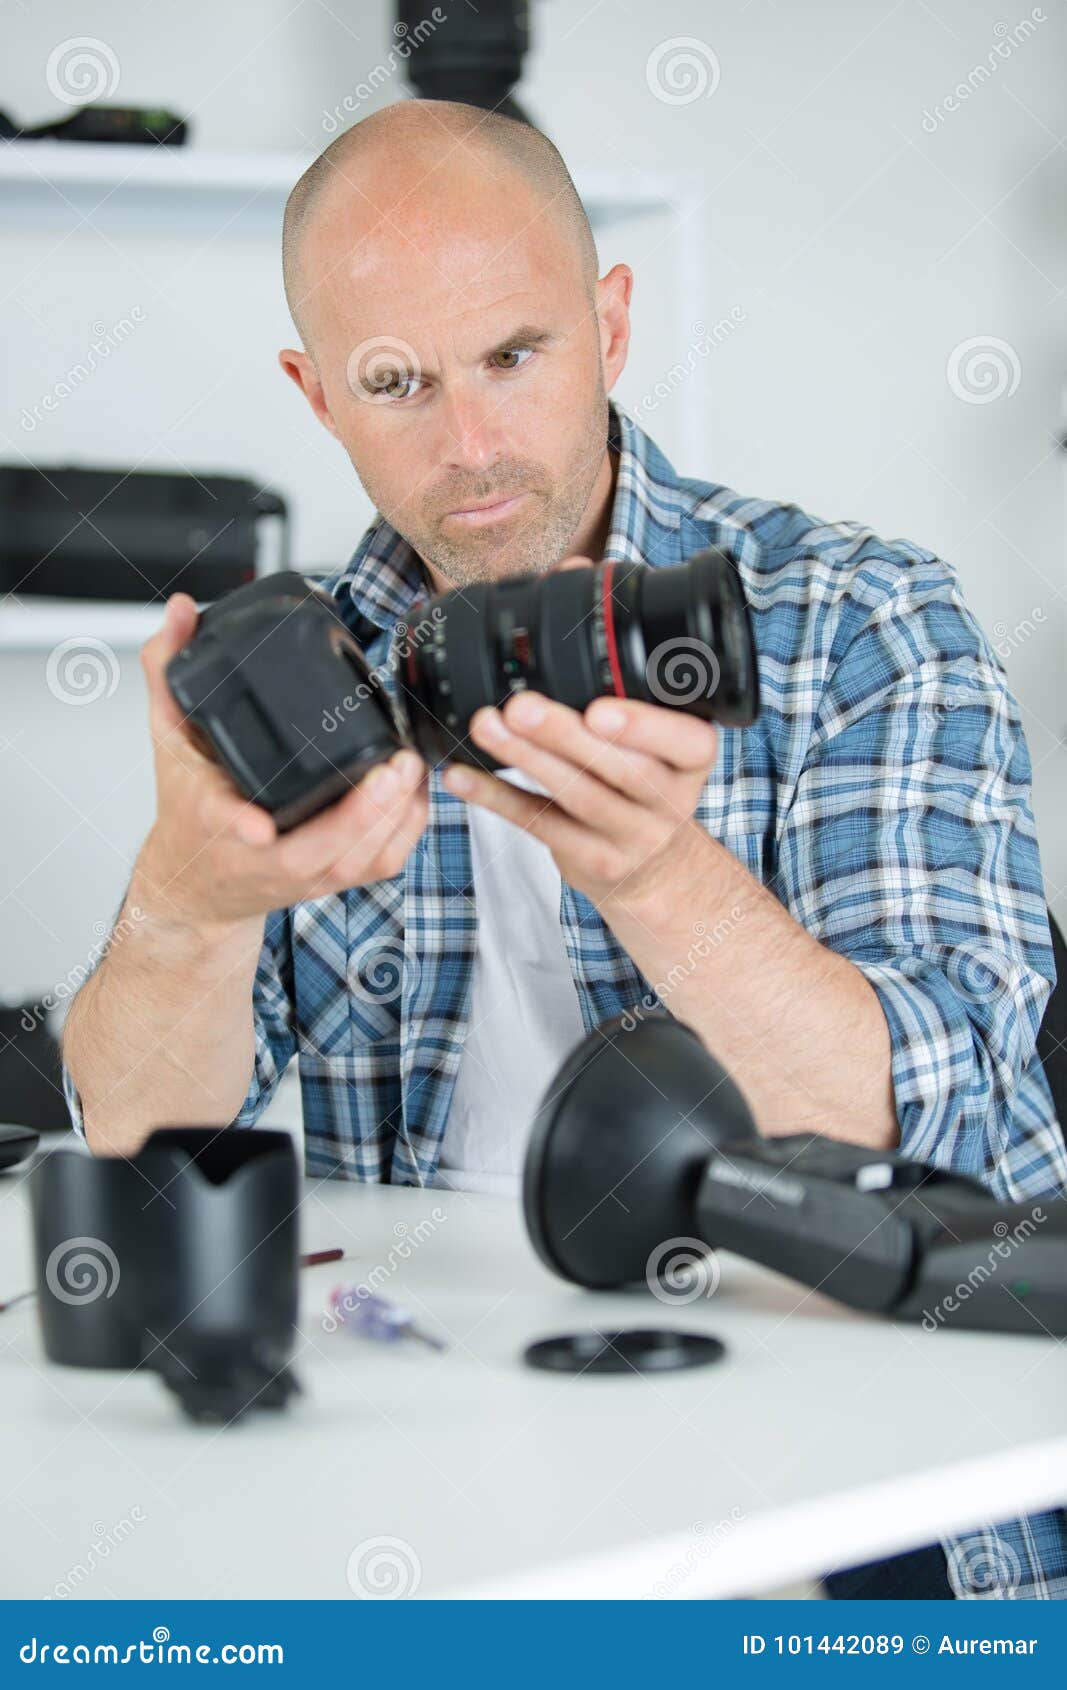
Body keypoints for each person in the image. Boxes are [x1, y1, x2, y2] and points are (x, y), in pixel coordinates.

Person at [60, 100, 1065, 1599]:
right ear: (316, 395)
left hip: (853, 1475)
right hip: (415, 1464)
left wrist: (662, 880)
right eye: (396, 382)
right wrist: (190, 904)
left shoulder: (862, 624)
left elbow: (929, 1132)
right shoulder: (304, 676)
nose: (469, 447)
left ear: (612, 322)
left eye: (515, 358)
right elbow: (141, 1150)